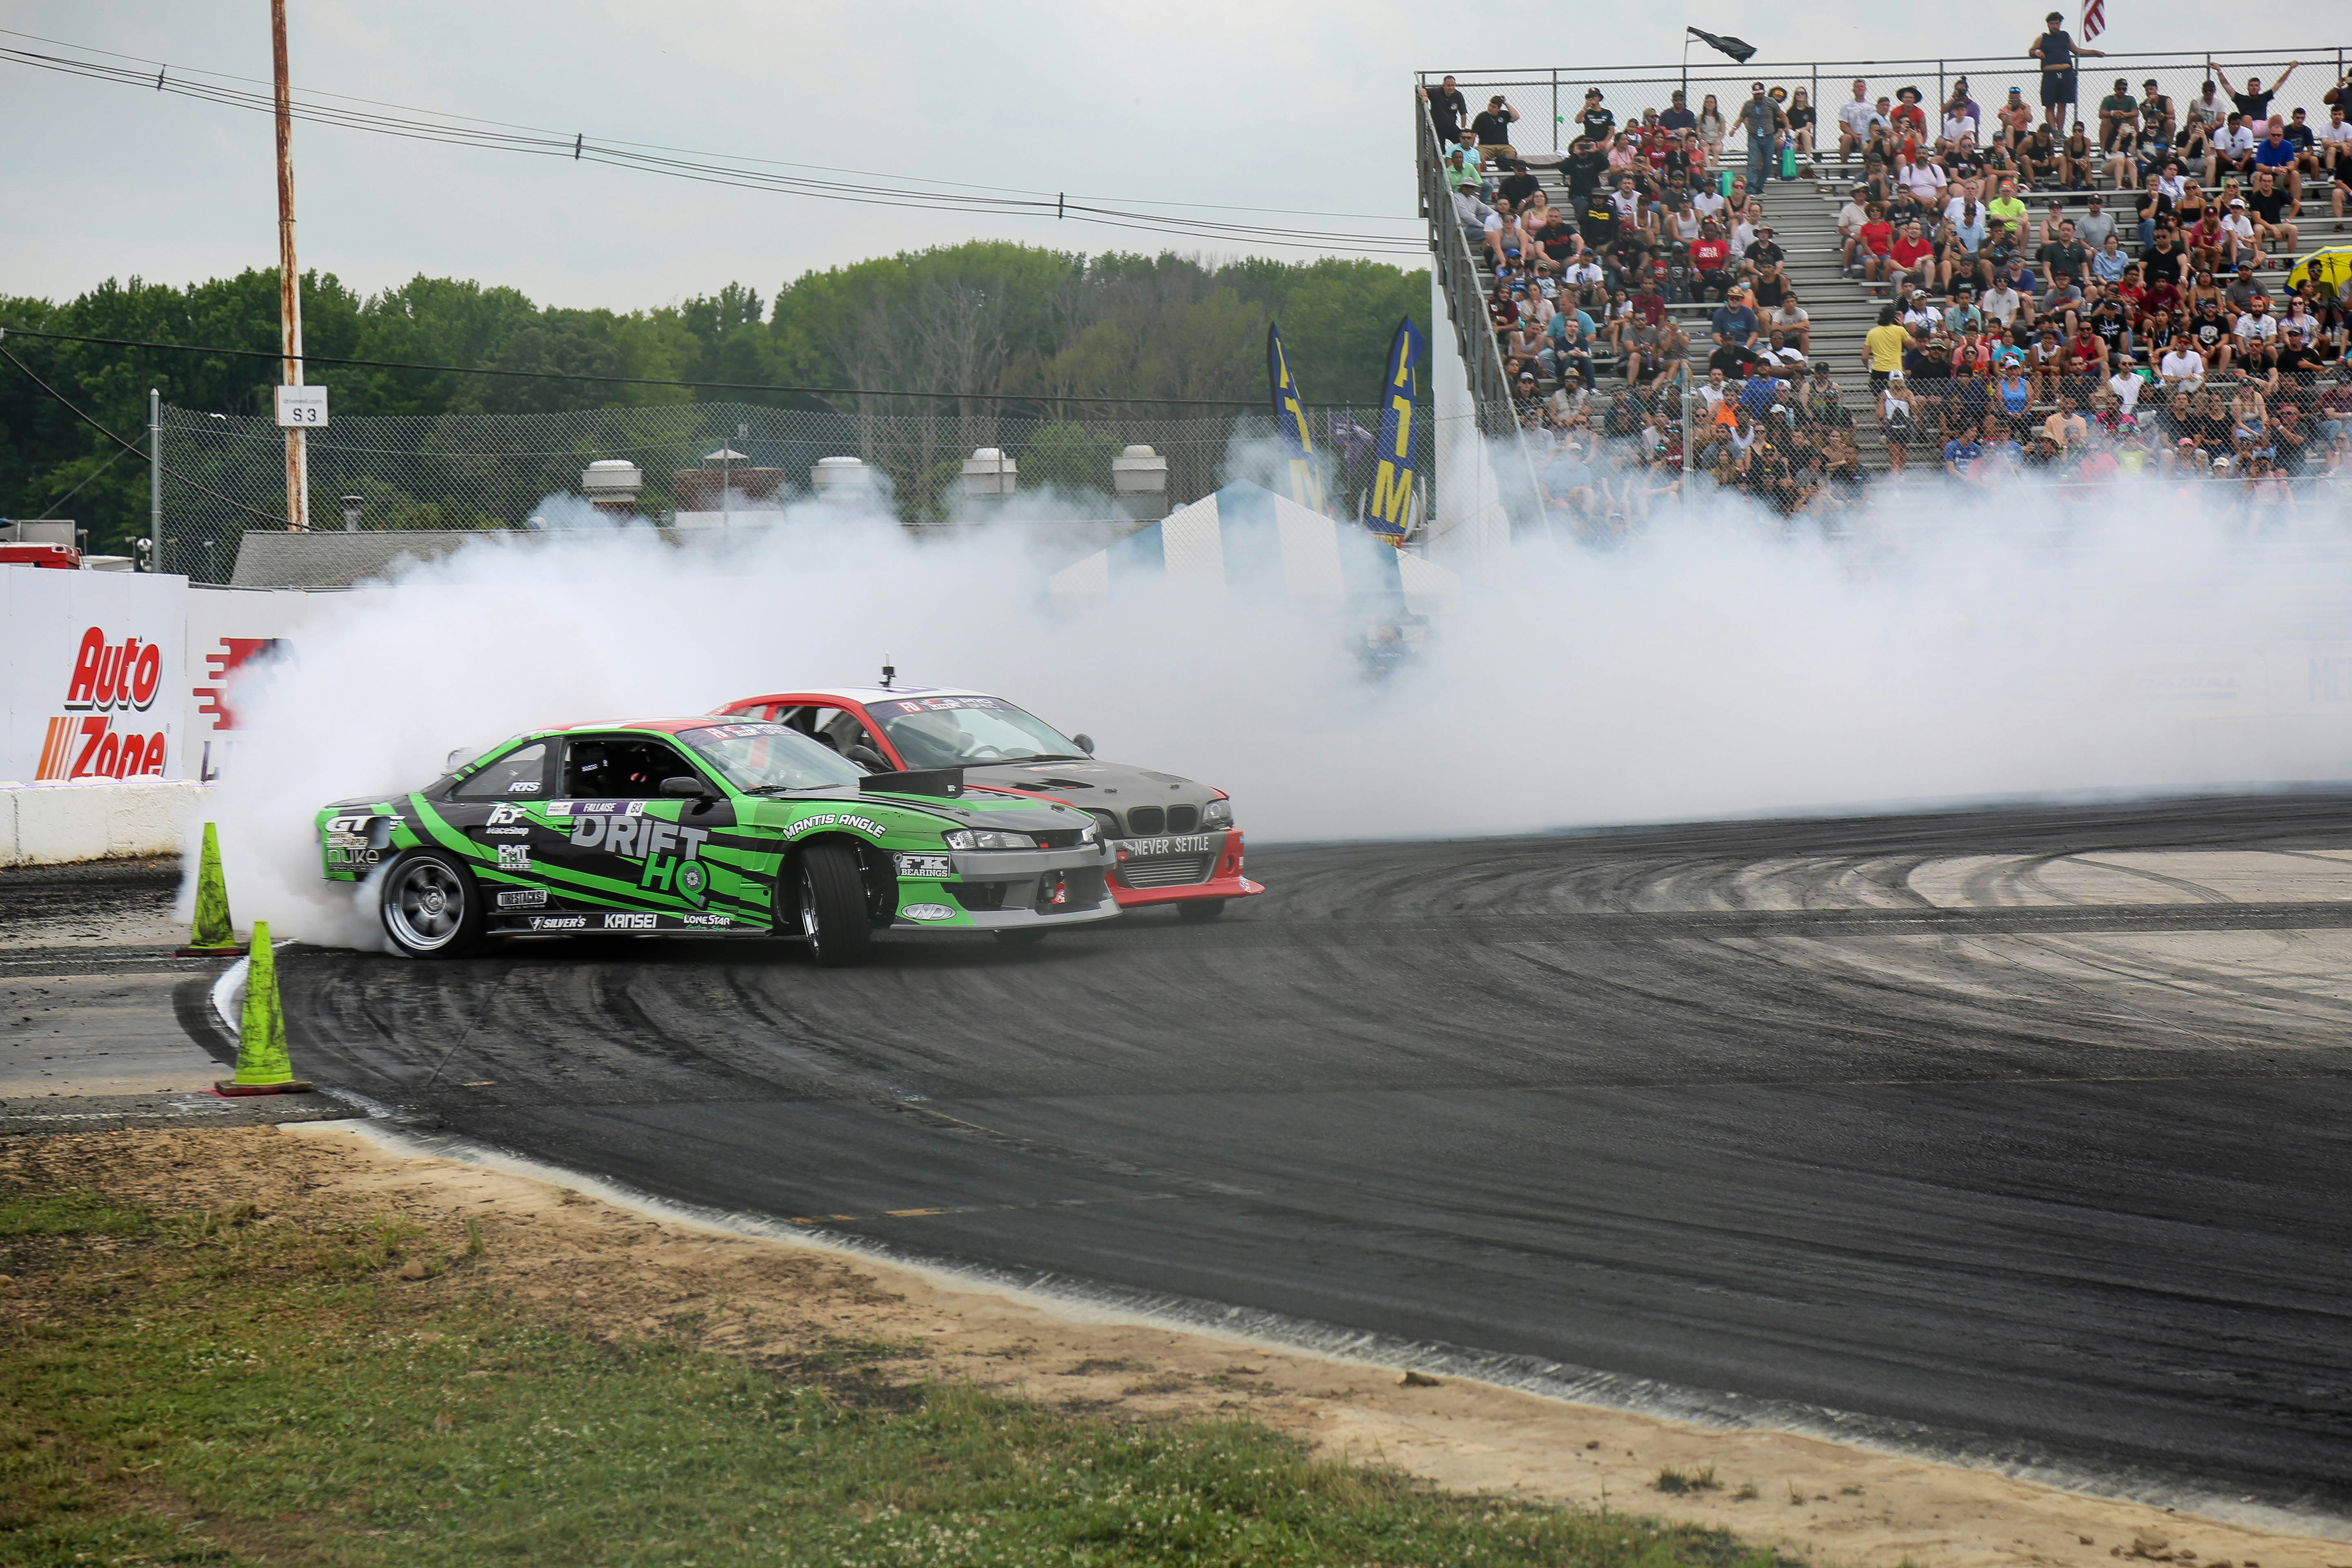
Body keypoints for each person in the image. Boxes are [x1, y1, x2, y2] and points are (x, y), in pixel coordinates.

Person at [2028, 11, 2102, 134]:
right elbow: (2031, 51)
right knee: (2050, 104)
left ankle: (2060, 131)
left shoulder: (2065, 36)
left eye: (2057, 23)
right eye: (2052, 24)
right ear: (2048, 25)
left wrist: (2094, 52)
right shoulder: (2043, 38)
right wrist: (2037, 53)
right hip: (2050, 73)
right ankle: (2053, 131)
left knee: (2063, 104)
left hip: (2066, 73)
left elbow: (2076, 50)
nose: (2055, 26)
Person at [1733, 81, 1787, 192]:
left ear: (1764, 92)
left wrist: (1787, 126)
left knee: (1768, 164)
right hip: (1754, 137)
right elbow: (1741, 118)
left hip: (1768, 137)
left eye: (1760, 93)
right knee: (1752, 162)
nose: (1758, 96)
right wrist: (1734, 129)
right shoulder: (1748, 105)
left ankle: (1759, 186)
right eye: (1756, 94)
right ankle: (1751, 186)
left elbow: (1781, 114)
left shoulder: (1771, 102)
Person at [1864, 303, 1910, 392]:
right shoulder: (1900, 330)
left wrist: (1868, 367)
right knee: (1897, 398)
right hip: (1895, 371)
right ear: (1894, 318)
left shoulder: (1872, 332)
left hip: (1878, 371)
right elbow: (1912, 345)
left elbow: (1864, 356)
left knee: (1880, 400)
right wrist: (1902, 326)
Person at [1472, 95, 1522, 167]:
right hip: (1485, 147)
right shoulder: (1482, 117)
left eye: (1494, 107)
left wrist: (1505, 103)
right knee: (1478, 154)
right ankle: (1485, 175)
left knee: (1512, 153)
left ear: (1499, 109)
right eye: (1490, 105)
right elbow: (1473, 135)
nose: (1490, 108)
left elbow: (1516, 117)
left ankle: (1502, 172)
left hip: (1503, 146)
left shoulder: (1503, 115)